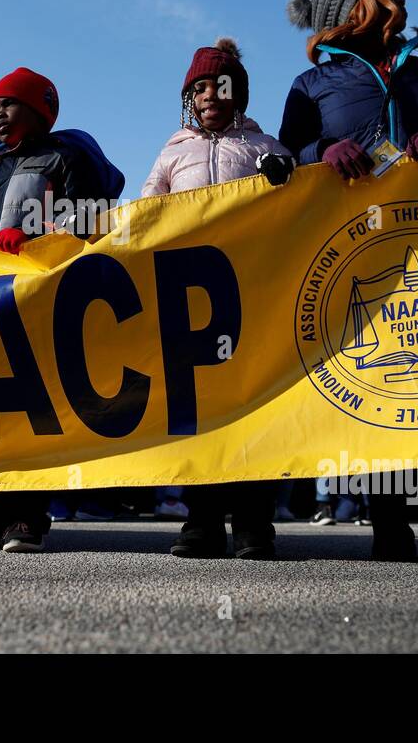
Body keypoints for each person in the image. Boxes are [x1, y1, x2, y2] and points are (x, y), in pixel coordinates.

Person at [282, 0, 418, 563]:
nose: (398, 1)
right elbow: (284, 155)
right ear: (354, 10)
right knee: (383, 384)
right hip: (358, 250)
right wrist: (323, 151)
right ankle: (389, 528)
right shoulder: (312, 83)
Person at [0, 66, 125, 553]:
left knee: (34, 408)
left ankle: (27, 514)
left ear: (40, 107)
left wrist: (33, 236)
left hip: (42, 300)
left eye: (6, 104)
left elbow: (95, 213)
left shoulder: (67, 154)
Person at [141, 37, 294, 559]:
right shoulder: (171, 152)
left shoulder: (265, 147)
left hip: (251, 290)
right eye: (201, 86)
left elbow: (299, 204)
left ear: (239, 95)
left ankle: (254, 524)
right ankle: (201, 520)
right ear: (190, 96)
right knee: (200, 408)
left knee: (252, 405)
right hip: (191, 295)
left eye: (222, 84)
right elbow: (146, 213)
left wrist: (283, 178)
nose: (212, 94)